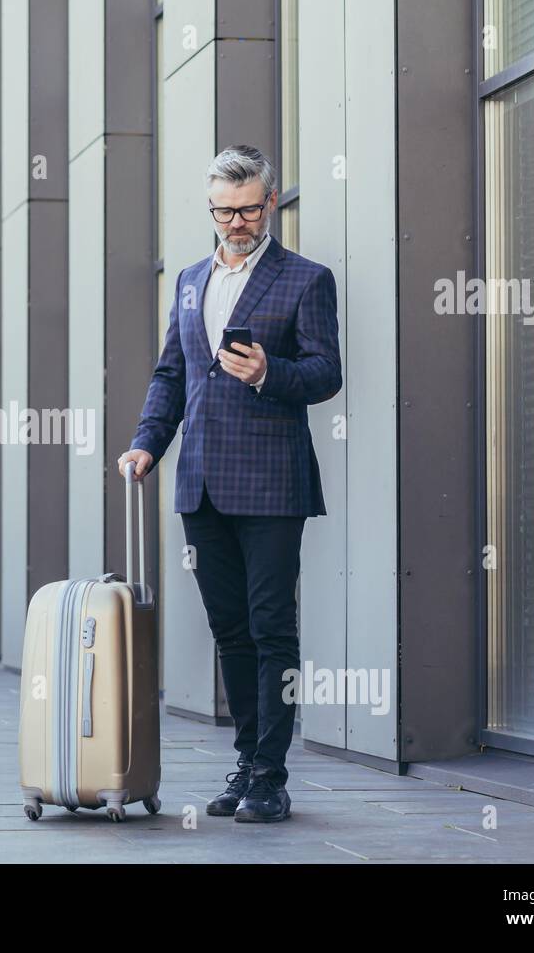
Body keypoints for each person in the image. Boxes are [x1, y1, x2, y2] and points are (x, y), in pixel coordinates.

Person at [117, 144, 342, 823]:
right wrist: (146, 443)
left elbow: (327, 373)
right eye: (223, 210)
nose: (235, 222)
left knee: (273, 627)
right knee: (231, 629)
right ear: (210, 207)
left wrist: (269, 373)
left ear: (269, 203)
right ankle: (245, 760)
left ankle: (271, 776)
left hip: (273, 482)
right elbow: (172, 376)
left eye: (246, 209)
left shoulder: (306, 279)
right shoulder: (189, 280)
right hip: (203, 484)